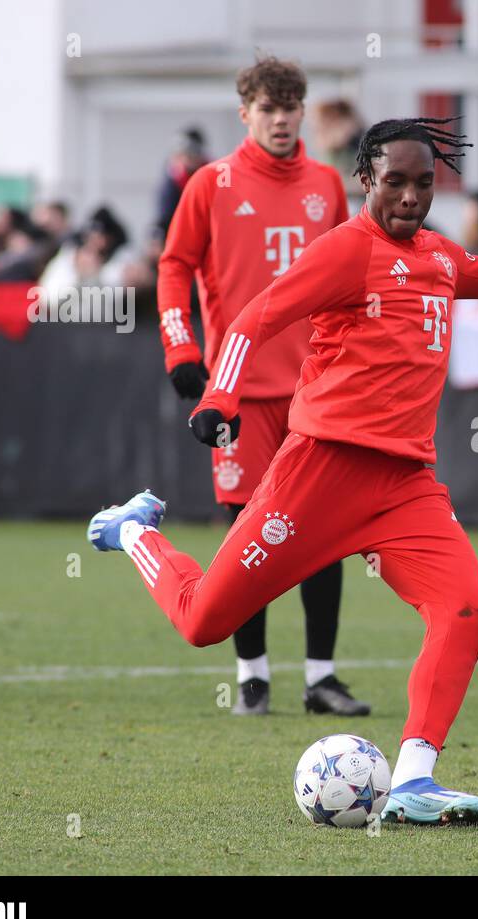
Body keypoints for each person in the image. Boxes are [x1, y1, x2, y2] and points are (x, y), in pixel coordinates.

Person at [86, 116, 478, 825]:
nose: (411, 196)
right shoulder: (346, 252)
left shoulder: (441, 259)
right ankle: (135, 531)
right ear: (367, 180)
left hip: (404, 486)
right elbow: (253, 318)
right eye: (396, 181)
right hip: (318, 474)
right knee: (204, 621)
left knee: (466, 611)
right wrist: (219, 396)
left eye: (424, 183)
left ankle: (415, 780)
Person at [154, 55, 361, 718]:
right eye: (267, 109)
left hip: (314, 393)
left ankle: (322, 678)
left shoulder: (326, 184)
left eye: (290, 107)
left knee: (321, 531)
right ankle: (252, 677)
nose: (280, 120)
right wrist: (181, 346)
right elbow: (173, 265)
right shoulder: (210, 184)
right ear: (244, 113)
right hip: (237, 393)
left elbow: (345, 277)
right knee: (247, 531)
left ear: (303, 113)